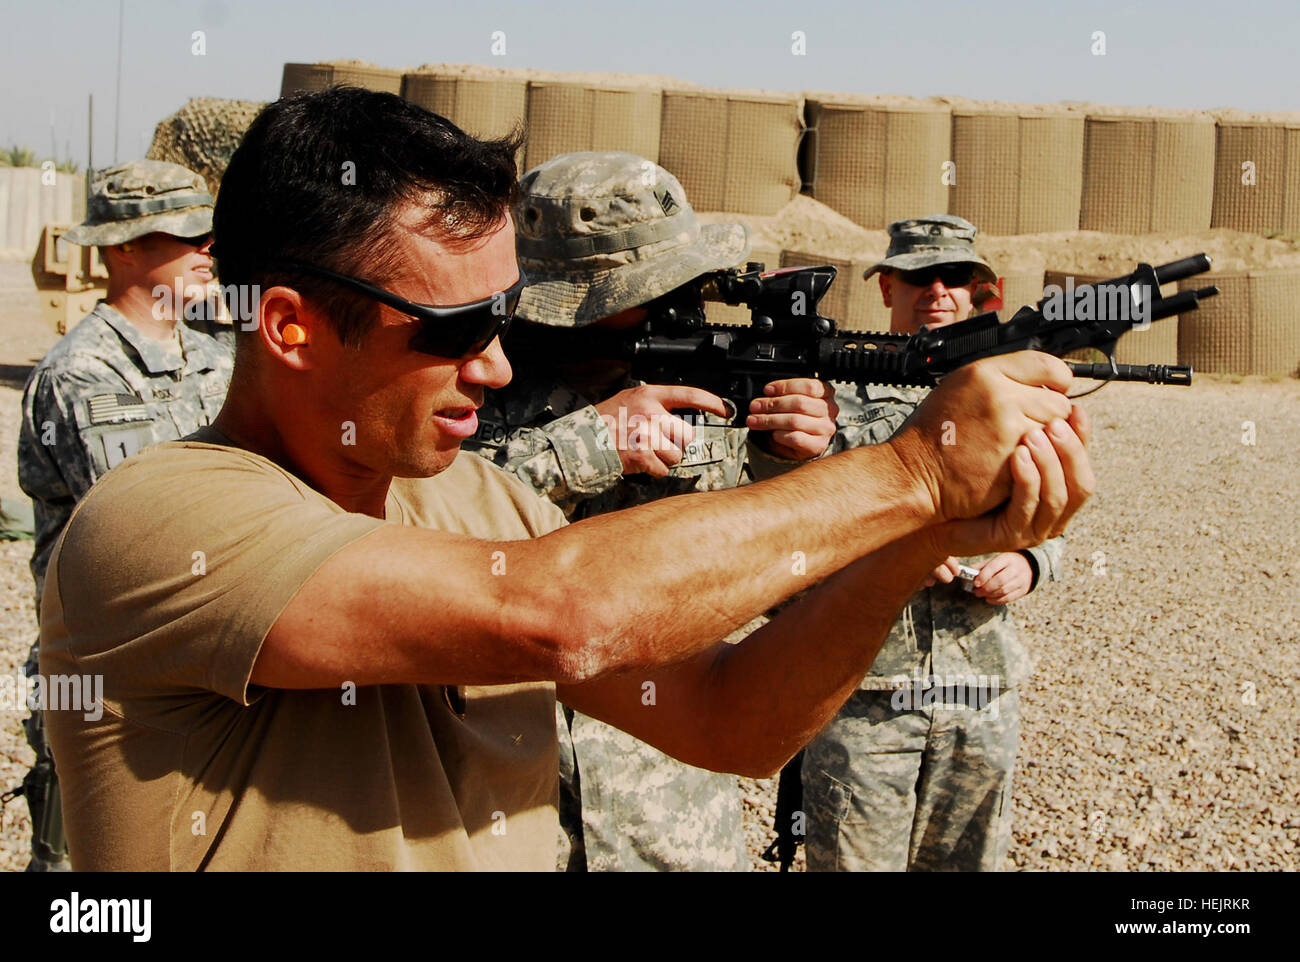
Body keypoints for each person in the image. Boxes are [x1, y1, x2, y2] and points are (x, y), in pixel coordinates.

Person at [39, 89, 1093, 871]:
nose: (496, 364)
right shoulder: (158, 519)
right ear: (291, 329)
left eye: (504, 321)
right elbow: (560, 612)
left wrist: (922, 533)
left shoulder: (485, 503)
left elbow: (732, 720)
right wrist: (909, 470)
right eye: (453, 328)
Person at [463, 151, 839, 871]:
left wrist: (786, 466)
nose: (686, 302)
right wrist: (583, 447)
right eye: (659, 289)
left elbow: (781, 599)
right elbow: (412, 529)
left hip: (670, 816)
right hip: (503, 809)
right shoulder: (467, 384)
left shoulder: (704, 383)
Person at [802, 214, 1066, 872]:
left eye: (956, 278)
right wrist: (888, 557)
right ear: (888, 286)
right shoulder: (828, 401)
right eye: (920, 277)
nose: (938, 291)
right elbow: (795, 532)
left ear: (980, 293)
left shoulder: (1012, 402)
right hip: (863, 695)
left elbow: (1054, 520)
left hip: (978, 689)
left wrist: (1028, 563)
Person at [13, 159, 232, 871]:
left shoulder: (213, 354)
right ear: (123, 249)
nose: (206, 250)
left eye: (209, 235)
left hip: (196, 662)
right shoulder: (85, 373)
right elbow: (148, 530)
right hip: (109, 679)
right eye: (184, 235)